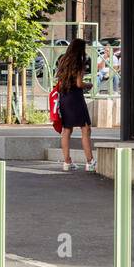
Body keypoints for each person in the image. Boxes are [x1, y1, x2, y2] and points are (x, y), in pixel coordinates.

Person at [54, 38, 96, 173]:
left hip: (64, 97)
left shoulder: (62, 60)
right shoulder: (79, 62)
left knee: (67, 130)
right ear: (80, 49)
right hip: (76, 98)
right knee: (85, 128)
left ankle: (67, 162)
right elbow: (79, 83)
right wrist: (88, 85)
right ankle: (90, 161)